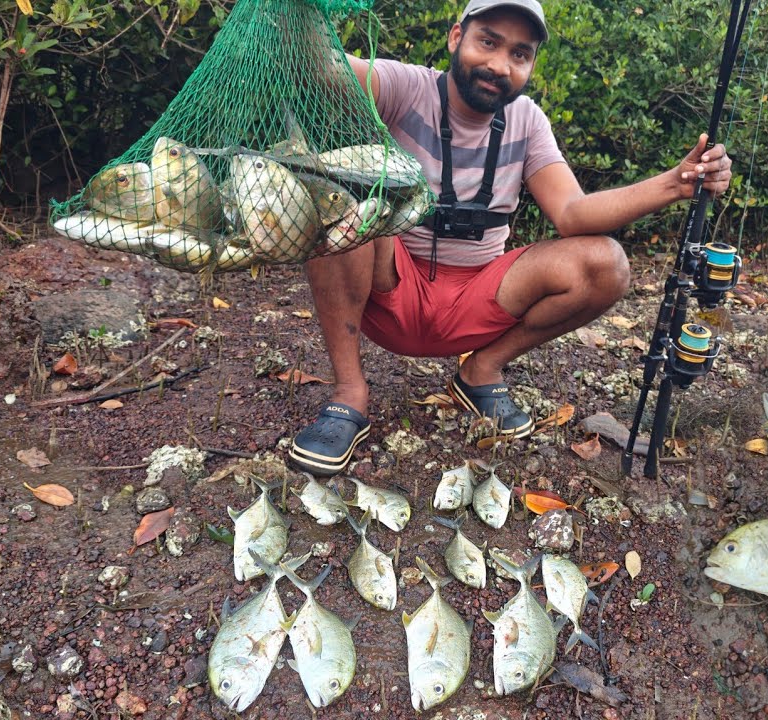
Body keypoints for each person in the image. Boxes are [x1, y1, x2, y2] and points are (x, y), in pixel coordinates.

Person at [288, 0, 733, 476]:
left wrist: (674, 183)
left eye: (519, 54)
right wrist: (298, 9)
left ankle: (482, 370)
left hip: (479, 302)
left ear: (532, 66)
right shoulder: (407, 86)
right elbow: (325, 71)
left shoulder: (528, 121)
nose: (500, 65)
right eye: (488, 42)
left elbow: (571, 213)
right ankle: (350, 392)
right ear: (456, 37)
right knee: (338, 206)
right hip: (392, 288)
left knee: (607, 263)